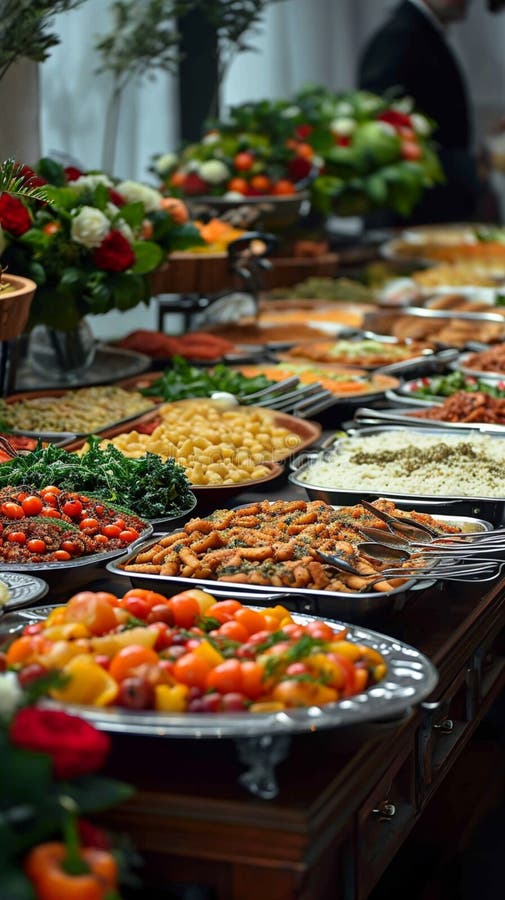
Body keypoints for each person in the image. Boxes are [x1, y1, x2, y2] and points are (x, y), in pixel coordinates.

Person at [358, 0, 480, 223]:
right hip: (412, 213)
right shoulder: (401, 35)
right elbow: (379, 120)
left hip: (431, 205)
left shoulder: (420, 31)